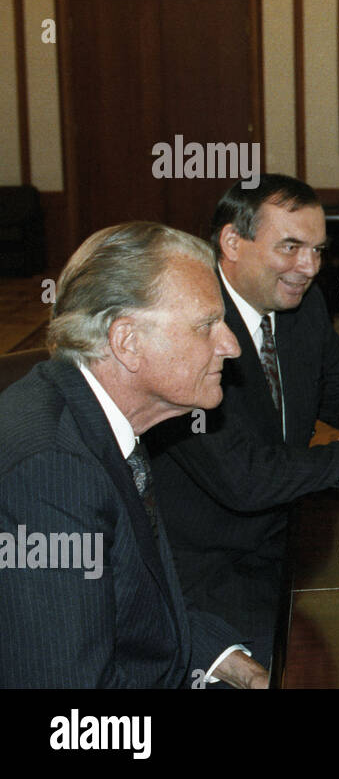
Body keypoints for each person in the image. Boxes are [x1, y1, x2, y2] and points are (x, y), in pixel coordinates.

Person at [148, 174, 339, 666]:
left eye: (318, 250)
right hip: (209, 569)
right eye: (290, 247)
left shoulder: (302, 307)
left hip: (295, 536)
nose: (308, 268)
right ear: (231, 242)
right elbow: (245, 478)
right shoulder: (188, 326)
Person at [0, 222, 267, 687]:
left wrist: (234, 665)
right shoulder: (52, 473)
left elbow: (135, 602)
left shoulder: (103, 417)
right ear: (128, 342)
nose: (231, 345)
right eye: (207, 325)